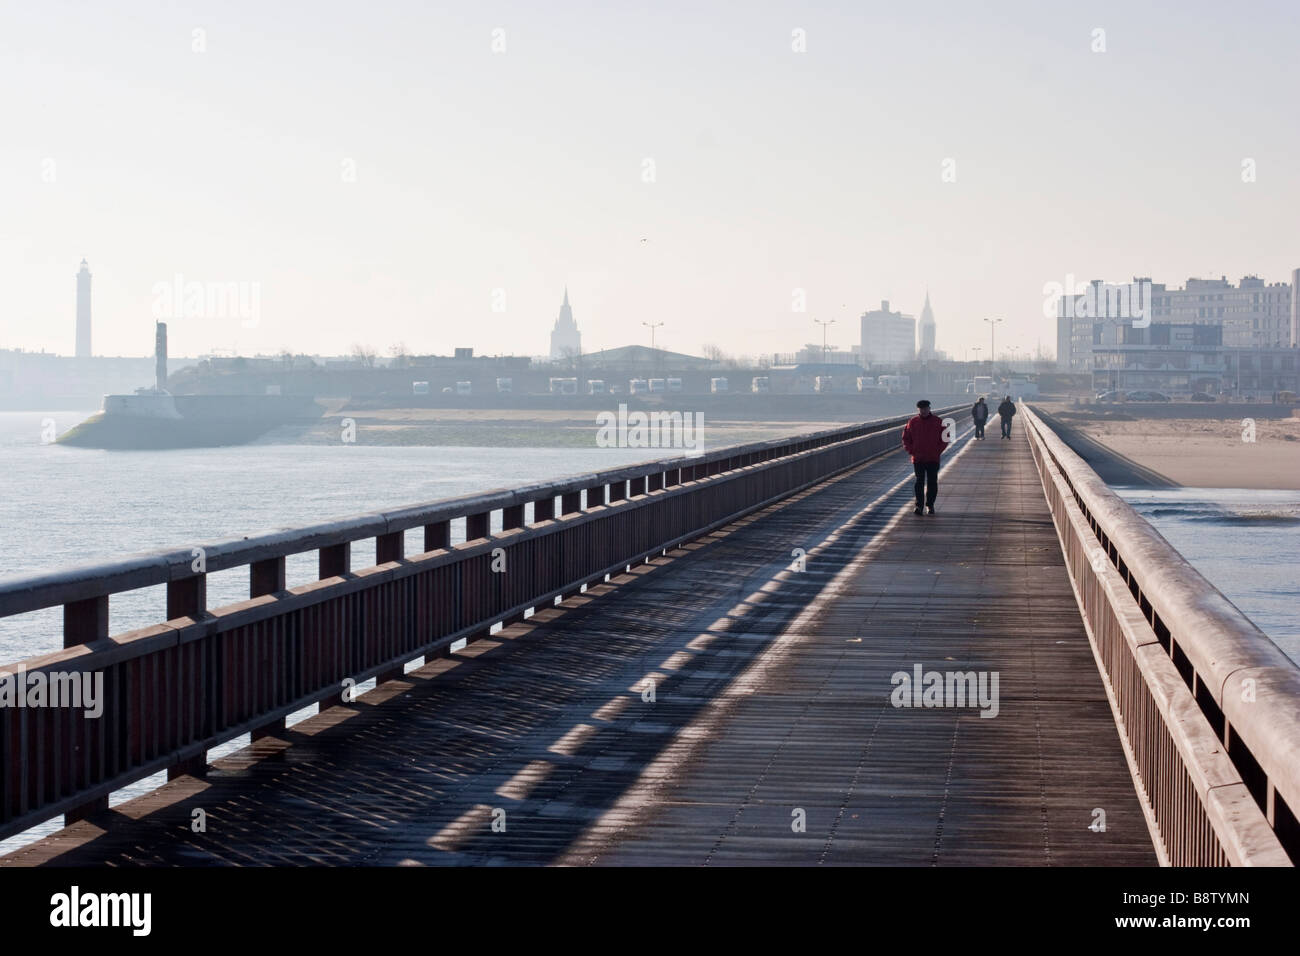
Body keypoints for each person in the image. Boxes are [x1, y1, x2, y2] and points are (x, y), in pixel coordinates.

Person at [901, 399, 950, 515]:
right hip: (918, 458)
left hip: (933, 458)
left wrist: (937, 451)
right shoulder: (913, 422)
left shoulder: (938, 421)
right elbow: (905, 438)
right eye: (921, 409)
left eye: (925, 408)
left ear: (929, 408)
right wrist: (912, 451)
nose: (923, 411)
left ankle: (930, 505)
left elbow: (945, 438)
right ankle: (919, 506)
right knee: (919, 482)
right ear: (918, 410)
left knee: (932, 482)